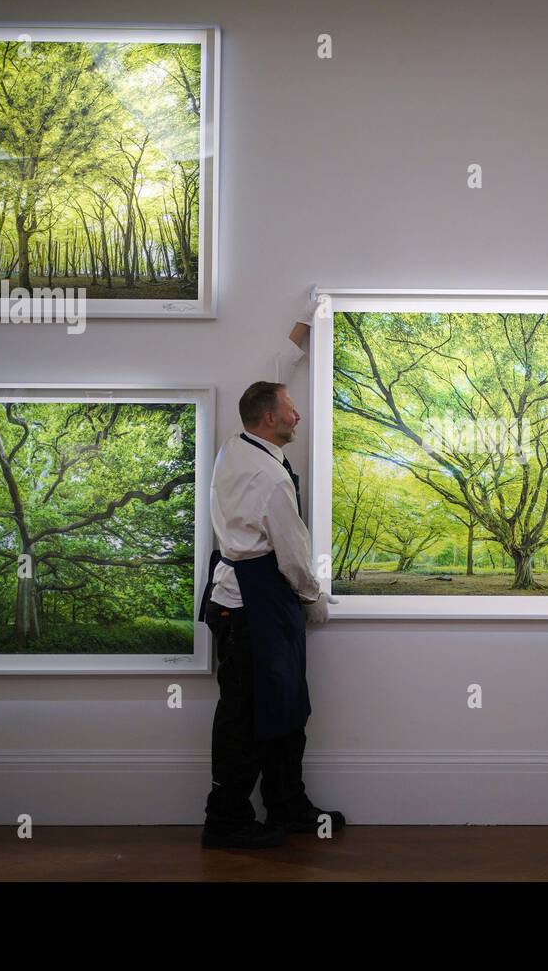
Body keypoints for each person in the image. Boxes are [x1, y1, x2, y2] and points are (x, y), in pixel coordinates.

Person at [199, 322, 345, 849]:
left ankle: (288, 805)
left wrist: (294, 344)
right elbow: (293, 556)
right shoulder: (270, 479)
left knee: (283, 708)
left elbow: (266, 385)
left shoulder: (236, 447)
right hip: (254, 606)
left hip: (240, 604)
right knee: (246, 719)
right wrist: (315, 599)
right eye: (289, 408)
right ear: (269, 419)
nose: (297, 413)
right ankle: (227, 823)